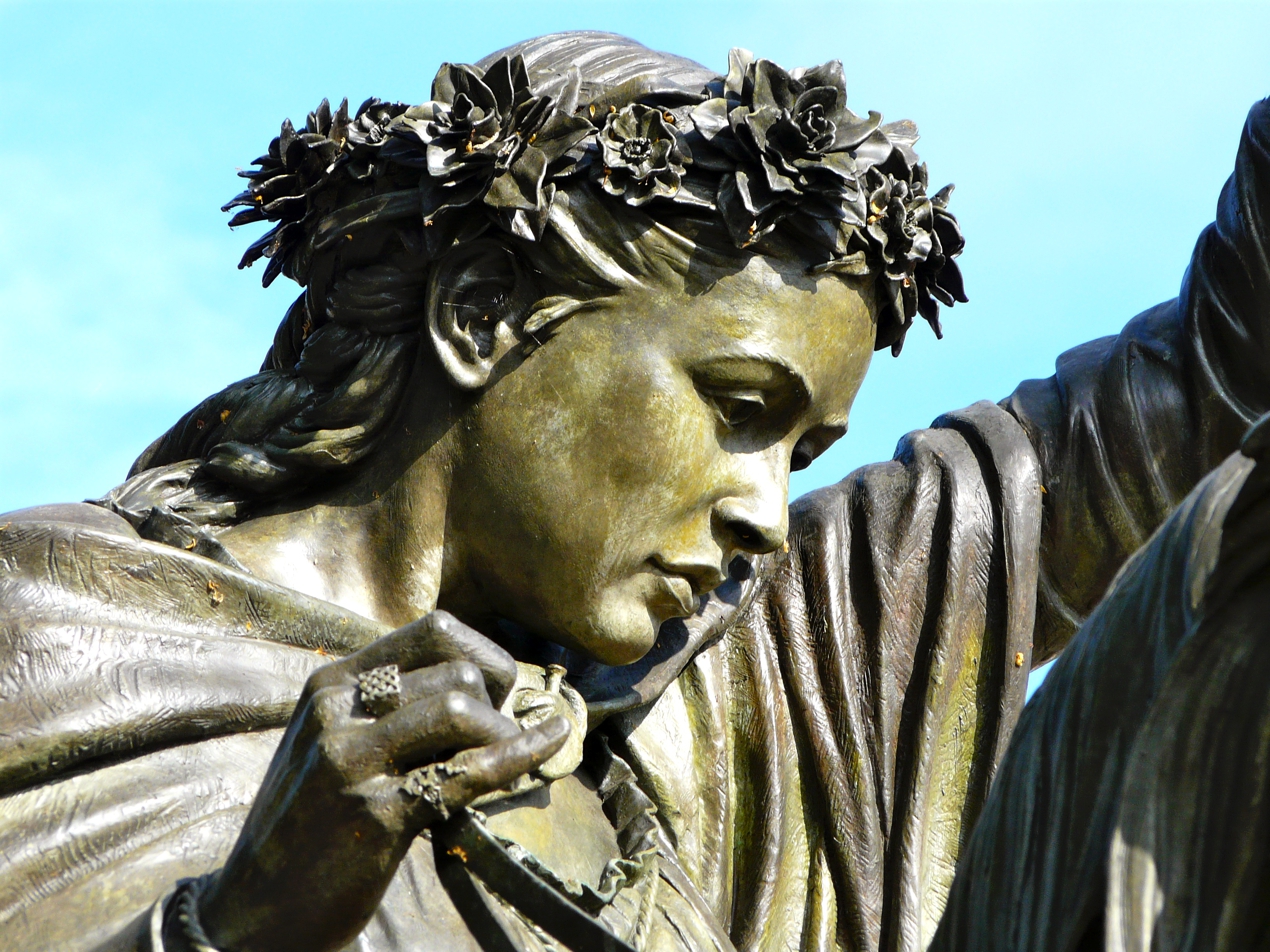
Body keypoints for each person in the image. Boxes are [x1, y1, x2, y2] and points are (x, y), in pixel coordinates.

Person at [0, 31, 1264, 952]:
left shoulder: (743, 669)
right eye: (739, 411)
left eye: (801, 454)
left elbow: (1212, 376)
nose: (765, 512)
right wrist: (246, 924)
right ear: (483, 316)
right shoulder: (55, 637)